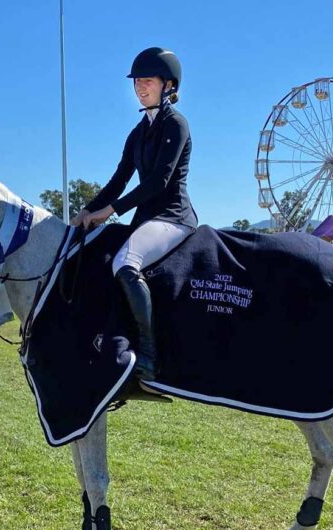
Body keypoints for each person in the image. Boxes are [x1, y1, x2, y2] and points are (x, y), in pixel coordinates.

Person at [71, 47, 198, 381]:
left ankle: (149, 357)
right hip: (146, 220)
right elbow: (118, 180)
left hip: (173, 217)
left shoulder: (176, 124)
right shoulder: (138, 132)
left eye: (147, 81)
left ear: (168, 85)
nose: (140, 87)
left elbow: (159, 181)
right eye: (137, 82)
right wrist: (87, 210)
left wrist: (110, 211)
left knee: (126, 263)